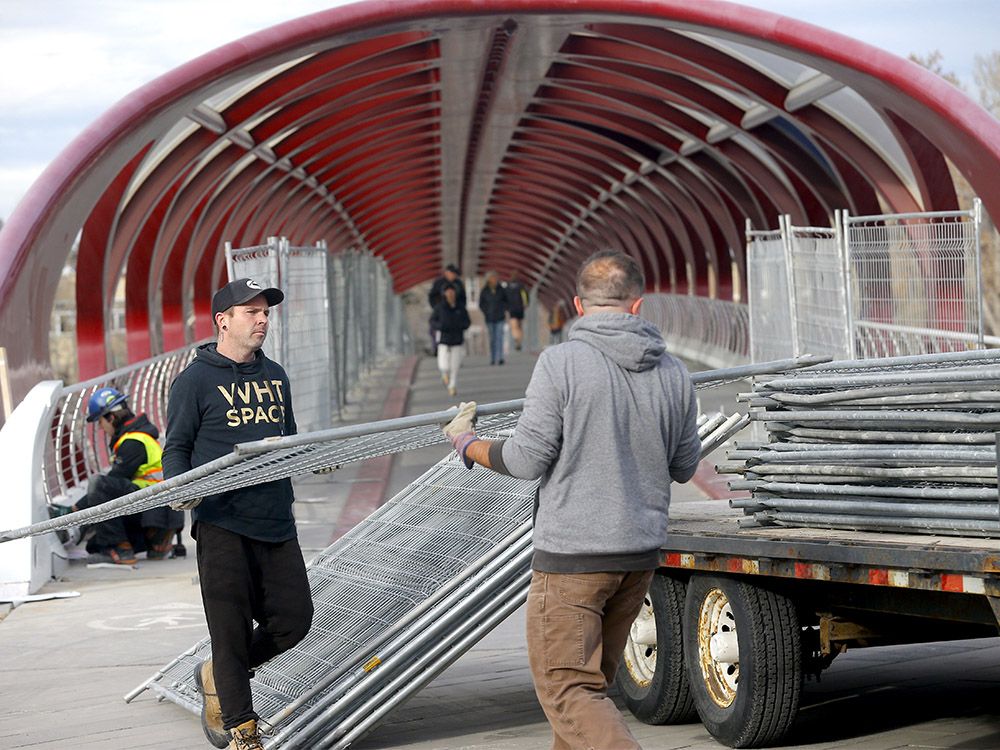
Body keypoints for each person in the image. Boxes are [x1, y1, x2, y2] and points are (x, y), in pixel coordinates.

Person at [442, 250, 702, 750]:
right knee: (588, 697)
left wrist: (467, 443)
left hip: (573, 560)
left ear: (579, 306)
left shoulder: (560, 364)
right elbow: (685, 467)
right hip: (637, 558)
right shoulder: (674, 372)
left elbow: (526, 459)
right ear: (638, 304)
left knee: (568, 692)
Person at [163, 278, 314, 750]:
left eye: (266, 312)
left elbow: (288, 438)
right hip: (221, 522)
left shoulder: (276, 376)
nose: (263, 320)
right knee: (229, 630)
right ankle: (242, 731)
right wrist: (181, 489)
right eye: (252, 312)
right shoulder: (193, 381)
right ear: (223, 321)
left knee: (294, 620)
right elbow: (176, 448)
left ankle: (216, 673)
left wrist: (312, 455)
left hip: (275, 519)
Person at [60, 386, 181, 565]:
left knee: (99, 484)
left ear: (111, 417)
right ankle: (156, 545)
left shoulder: (133, 442)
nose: (101, 428)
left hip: (154, 512)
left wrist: (74, 510)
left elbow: (111, 482)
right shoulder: (142, 437)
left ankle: (120, 550)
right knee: (94, 546)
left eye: (100, 422)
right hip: (160, 514)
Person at [431, 283, 471, 396]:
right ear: (444, 293)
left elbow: (467, 322)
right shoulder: (439, 308)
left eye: (452, 292)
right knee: (443, 364)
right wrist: (440, 326)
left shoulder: (460, 308)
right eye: (448, 292)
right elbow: (432, 321)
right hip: (444, 339)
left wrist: (461, 326)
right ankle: (445, 374)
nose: (450, 294)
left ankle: (452, 385)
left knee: (455, 365)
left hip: (457, 340)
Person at [427, 263, 467, 356]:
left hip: (455, 311)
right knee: (436, 330)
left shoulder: (458, 283)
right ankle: (437, 347)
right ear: (447, 273)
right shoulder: (439, 283)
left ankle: (455, 351)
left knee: (455, 330)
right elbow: (431, 296)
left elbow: (463, 297)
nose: (454, 276)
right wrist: (436, 307)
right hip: (441, 311)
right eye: (452, 273)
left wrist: (461, 309)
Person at [478, 271, 508, 365]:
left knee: (499, 337)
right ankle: (493, 358)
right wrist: (486, 311)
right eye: (492, 278)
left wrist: (503, 308)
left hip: (500, 317)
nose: (494, 279)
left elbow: (506, 300)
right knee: (492, 339)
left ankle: (500, 357)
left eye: (495, 277)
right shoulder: (485, 291)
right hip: (489, 317)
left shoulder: (501, 289)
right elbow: (481, 304)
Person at [504, 272, 528, 351]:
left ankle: (516, 339)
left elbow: (504, 299)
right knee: (519, 326)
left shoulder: (507, 287)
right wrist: (525, 304)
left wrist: (506, 307)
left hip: (512, 309)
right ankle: (519, 341)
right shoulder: (521, 286)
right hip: (520, 308)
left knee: (514, 326)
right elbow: (525, 297)